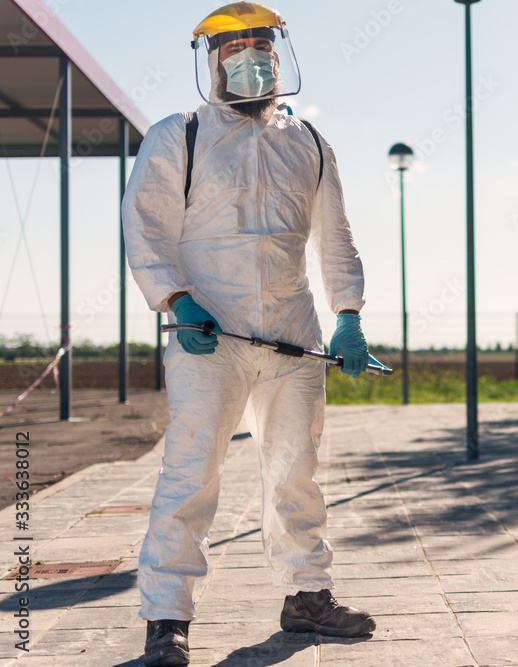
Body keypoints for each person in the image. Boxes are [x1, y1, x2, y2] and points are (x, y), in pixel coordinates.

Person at [122, 4, 375, 665]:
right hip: (212, 332)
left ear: (280, 53)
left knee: (297, 468)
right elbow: (145, 224)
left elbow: (335, 235)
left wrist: (347, 314)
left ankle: (307, 594)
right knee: (192, 471)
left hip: (294, 331)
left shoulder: (310, 142)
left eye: (261, 43)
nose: (251, 55)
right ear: (211, 62)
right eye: (236, 46)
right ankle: (167, 618)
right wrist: (177, 298)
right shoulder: (179, 135)